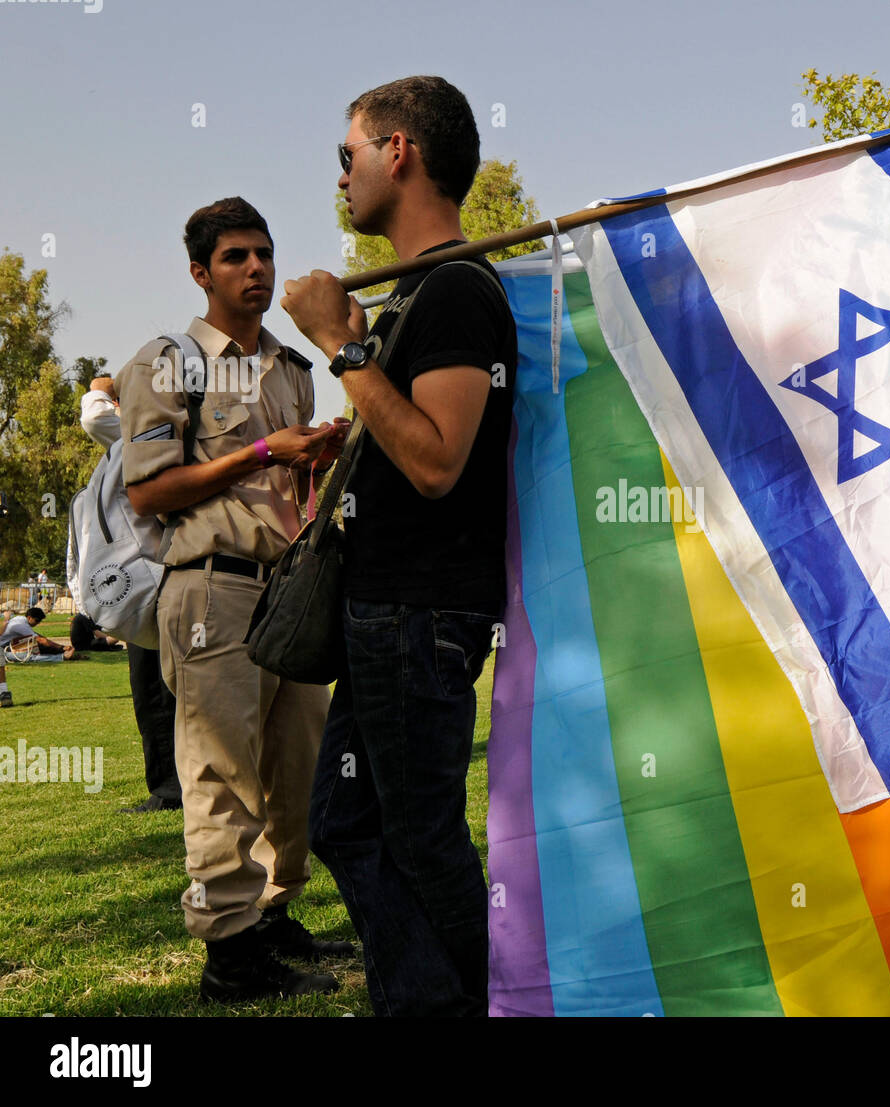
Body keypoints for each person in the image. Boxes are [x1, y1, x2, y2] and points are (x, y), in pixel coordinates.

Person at [282, 75, 517, 1016]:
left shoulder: (458, 289)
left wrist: (343, 349)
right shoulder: (423, 291)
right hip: (389, 608)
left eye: (347, 154)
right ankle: (428, 999)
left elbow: (437, 462)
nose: (339, 175)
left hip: (417, 615)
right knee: (348, 819)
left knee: (418, 837)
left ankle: (504, 999)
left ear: (398, 152)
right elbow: (407, 435)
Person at [116, 196, 353, 1002]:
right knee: (222, 774)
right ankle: (229, 952)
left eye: (265, 254)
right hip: (212, 588)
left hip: (289, 590)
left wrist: (316, 455)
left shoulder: (291, 369)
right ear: (200, 272)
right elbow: (148, 493)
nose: (256, 269)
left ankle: (273, 914)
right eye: (235, 258)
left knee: (298, 767)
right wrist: (260, 448)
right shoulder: (166, 362)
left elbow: (290, 481)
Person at [78, 376, 183, 813]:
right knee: (149, 692)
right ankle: (166, 786)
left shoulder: (138, 429)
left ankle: (175, 789)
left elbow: (95, 414)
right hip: (142, 584)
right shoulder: (116, 452)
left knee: (166, 692)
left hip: (158, 579)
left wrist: (104, 384)